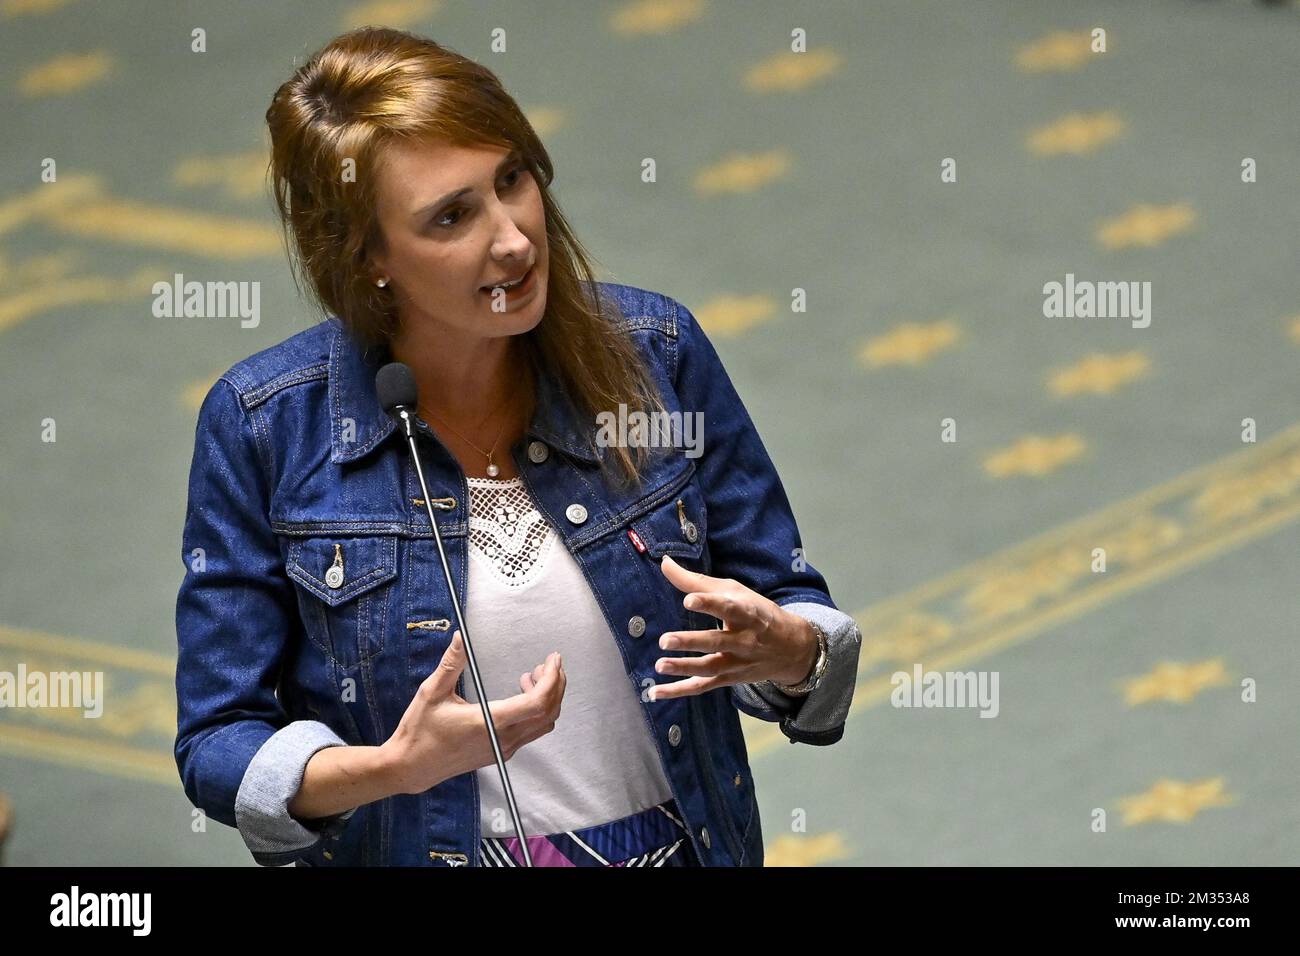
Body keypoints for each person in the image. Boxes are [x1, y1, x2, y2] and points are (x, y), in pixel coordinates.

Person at [174, 26, 862, 867]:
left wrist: (794, 650)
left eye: (513, 179)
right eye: (452, 216)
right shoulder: (263, 427)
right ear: (369, 259)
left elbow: (788, 606)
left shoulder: (658, 353)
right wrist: (385, 770)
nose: (513, 238)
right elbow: (218, 737)